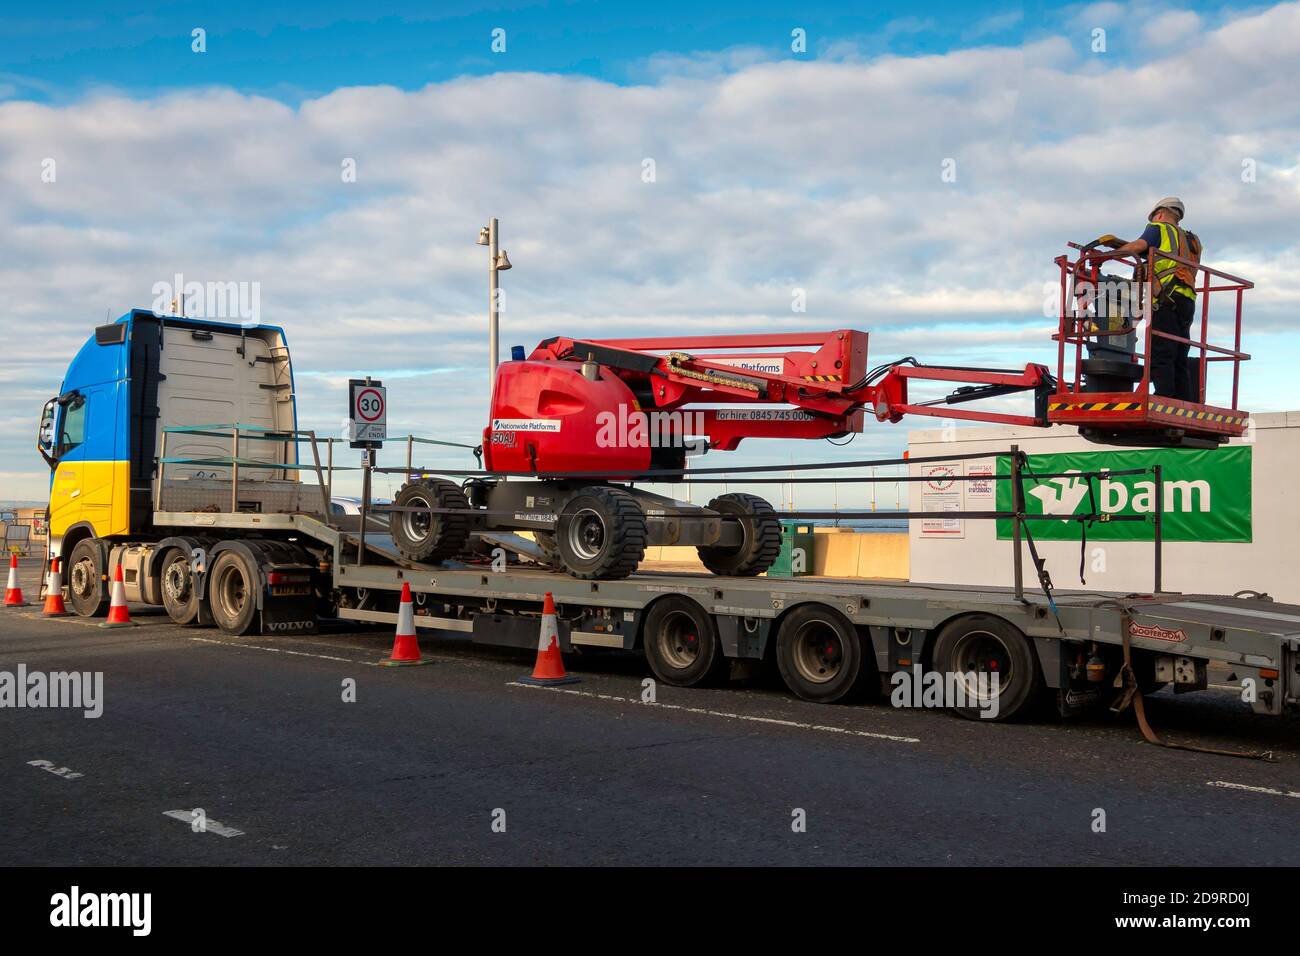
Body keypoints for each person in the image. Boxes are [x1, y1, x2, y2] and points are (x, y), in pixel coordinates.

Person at [1101, 197, 1201, 401]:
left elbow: (1139, 245)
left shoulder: (1159, 228)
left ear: (1160, 214)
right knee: (1179, 355)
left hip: (1165, 299)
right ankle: (1182, 401)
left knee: (1161, 353)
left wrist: (1107, 256)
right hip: (1187, 301)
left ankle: (1163, 397)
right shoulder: (1191, 241)